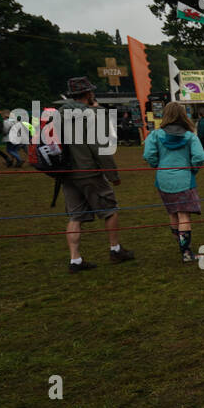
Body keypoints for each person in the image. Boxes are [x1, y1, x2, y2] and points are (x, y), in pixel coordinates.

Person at [58, 77, 134, 273]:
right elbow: (100, 147)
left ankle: (75, 259)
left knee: (75, 216)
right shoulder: (94, 114)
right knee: (110, 208)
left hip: (66, 172)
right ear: (88, 93)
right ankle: (115, 249)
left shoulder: (59, 113)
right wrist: (113, 174)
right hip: (88, 171)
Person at [143, 101, 204, 263]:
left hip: (163, 179)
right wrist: (193, 169)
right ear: (183, 115)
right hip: (184, 178)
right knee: (183, 215)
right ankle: (186, 253)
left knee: (172, 212)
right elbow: (199, 157)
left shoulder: (155, 135)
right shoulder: (190, 136)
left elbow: (149, 155)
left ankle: (182, 246)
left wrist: (157, 165)